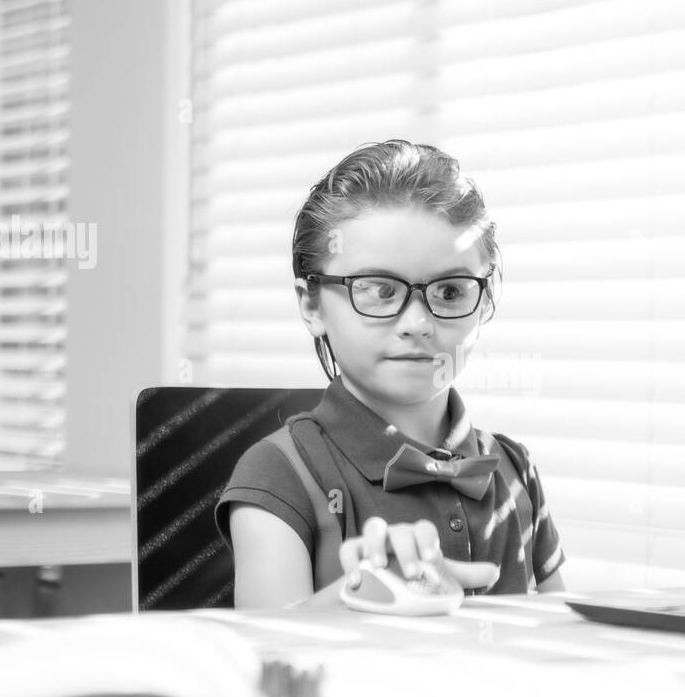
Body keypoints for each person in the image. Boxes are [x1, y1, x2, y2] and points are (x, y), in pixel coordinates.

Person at [214, 140, 567, 609]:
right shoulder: (278, 472)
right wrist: (366, 593)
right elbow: (265, 647)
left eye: (450, 291)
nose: (418, 323)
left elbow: (559, 633)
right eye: (380, 290)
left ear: (483, 301)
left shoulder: (514, 467)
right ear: (312, 305)